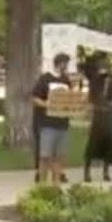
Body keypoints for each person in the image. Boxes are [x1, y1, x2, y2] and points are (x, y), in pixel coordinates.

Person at [82, 52, 112, 183]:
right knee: (92, 144)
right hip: (98, 114)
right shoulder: (95, 80)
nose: (106, 70)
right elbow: (87, 69)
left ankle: (106, 172)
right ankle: (87, 172)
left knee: (108, 143)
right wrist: (90, 111)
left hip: (109, 115)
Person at [31, 53, 75, 186]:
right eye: (65, 64)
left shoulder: (66, 81)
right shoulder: (45, 79)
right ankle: (42, 185)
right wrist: (48, 104)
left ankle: (56, 185)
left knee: (59, 156)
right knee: (45, 156)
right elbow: (34, 98)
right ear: (59, 63)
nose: (66, 67)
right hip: (47, 123)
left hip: (62, 123)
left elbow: (71, 99)